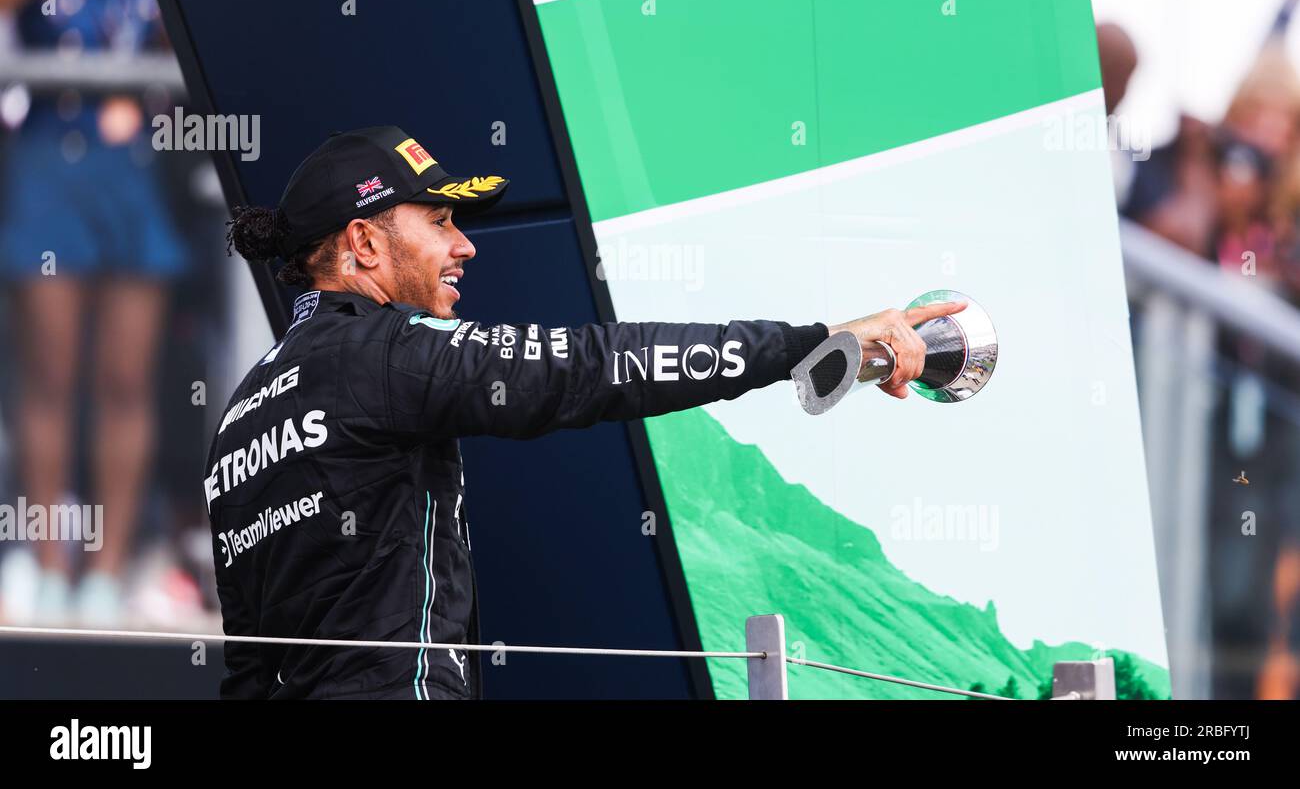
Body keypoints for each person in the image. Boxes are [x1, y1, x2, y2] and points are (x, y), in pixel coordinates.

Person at [215, 125, 961, 699]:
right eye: (439, 221)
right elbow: (597, 368)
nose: (464, 245)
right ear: (364, 243)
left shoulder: (240, 414)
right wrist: (811, 345)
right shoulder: (388, 353)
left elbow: (247, 668)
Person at [0, 0, 188, 626]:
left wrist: (144, 98)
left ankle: (108, 572)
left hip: (131, 167)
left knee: (125, 380)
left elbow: (183, 18)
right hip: (49, 160)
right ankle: (47, 560)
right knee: (49, 379)